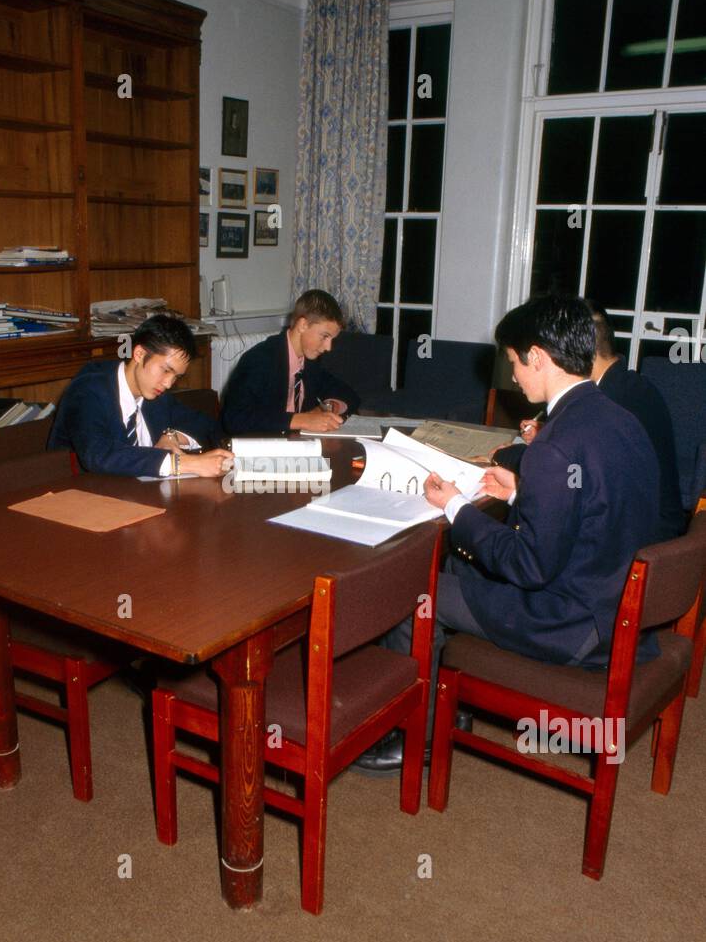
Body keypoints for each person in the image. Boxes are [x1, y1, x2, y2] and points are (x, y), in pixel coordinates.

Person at [355, 295, 660, 774]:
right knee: (457, 564)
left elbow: (529, 566)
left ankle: (412, 736)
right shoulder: (620, 420)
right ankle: (452, 706)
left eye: (515, 362)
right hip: (611, 603)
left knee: (414, 590)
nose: (513, 375)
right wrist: (523, 492)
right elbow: (599, 507)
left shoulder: (555, 444)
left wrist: (454, 505)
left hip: (570, 624)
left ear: (538, 356)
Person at [494, 301, 684, 542]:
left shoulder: (613, 401)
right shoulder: (629, 386)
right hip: (633, 518)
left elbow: (569, 475)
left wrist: (513, 455)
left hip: (641, 537)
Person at [48, 313, 233, 479]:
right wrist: (183, 464)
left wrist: (172, 436)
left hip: (137, 498)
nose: (169, 383)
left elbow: (206, 425)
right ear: (139, 354)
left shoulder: (155, 393)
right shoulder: (88, 389)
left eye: (176, 376)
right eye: (166, 370)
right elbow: (98, 455)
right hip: (80, 499)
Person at [219, 289, 360, 437]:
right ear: (303, 325)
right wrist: (301, 420)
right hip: (259, 446)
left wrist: (330, 406)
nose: (328, 347)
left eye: (332, 339)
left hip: (295, 445)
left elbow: (348, 393)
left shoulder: (309, 361)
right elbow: (234, 419)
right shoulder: (259, 360)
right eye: (324, 336)